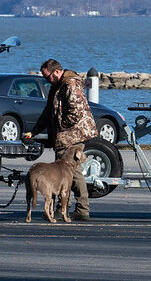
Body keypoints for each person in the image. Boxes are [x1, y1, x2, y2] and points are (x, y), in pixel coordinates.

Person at [24, 59, 98, 221]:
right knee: (61, 173)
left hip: (74, 135)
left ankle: (78, 209)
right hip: (63, 136)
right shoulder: (57, 86)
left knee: (72, 173)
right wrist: (34, 131)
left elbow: (76, 112)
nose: (46, 80)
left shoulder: (70, 84)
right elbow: (48, 111)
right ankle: (64, 208)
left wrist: (61, 126)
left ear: (56, 72)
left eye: (47, 77)